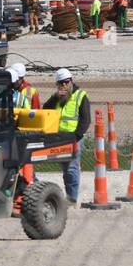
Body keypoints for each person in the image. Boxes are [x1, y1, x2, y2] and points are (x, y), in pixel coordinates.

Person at [41, 67, 91, 203]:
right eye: (61, 83)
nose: (64, 85)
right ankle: (69, 195)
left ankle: (72, 198)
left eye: (66, 82)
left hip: (73, 138)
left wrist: (76, 136)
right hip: (59, 137)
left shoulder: (80, 96)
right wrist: (56, 97)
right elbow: (45, 110)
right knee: (65, 168)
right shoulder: (57, 97)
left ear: (71, 81)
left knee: (71, 168)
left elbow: (86, 119)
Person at [9, 64, 42, 196]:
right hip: (13, 131)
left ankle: (33, 189)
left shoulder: (30, 92)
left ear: (21, 78)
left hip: (26, 132)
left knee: (26, 165)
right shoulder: (10, 90)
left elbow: (37, 112)